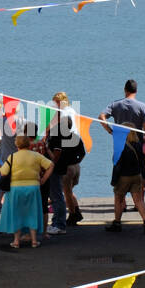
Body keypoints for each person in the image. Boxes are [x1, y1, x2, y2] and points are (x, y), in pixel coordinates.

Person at [0, 134, 54, 249]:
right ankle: (34, 241)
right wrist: (43, 179)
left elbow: (3, 172)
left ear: (17, 144)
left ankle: (16, 241)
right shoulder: (36, 155)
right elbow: (51, 165)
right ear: (28, 144)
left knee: (16, 214)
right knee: (32, 213)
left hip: (16, 189)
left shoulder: (12, 157)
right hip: (33, 188)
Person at [41, 91, 85, 233]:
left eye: (56, 102)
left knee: (61, 192)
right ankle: (75, 212)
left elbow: (51, 126)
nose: (55, 105)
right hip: (75, 162)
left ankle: (65, 220)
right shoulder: (70, 111)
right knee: (67, 190)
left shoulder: (63, 114)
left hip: (65, 164)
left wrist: (45, 141)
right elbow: (82, 152)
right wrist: (77, 161)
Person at [106, 129, 145, 233]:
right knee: (139, 200)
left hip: (123, 177)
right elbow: (143, 161)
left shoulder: (120, 146)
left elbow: (116, 164)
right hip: (137, 175)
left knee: (119, 199)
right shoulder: (139, 145)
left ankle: (117, 223)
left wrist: (114, 180)